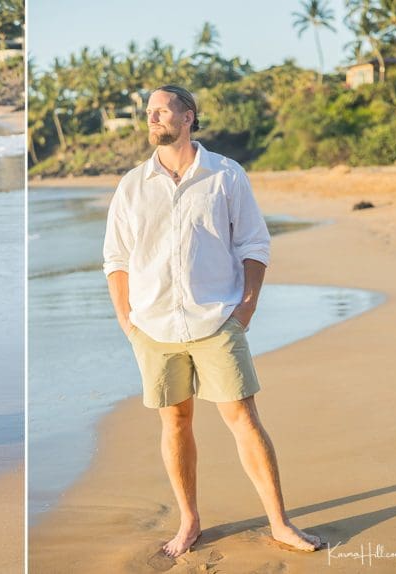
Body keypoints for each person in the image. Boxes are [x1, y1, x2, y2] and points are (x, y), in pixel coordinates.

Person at [103, 85, 322, 557]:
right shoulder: (132, 185)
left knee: (243, 417)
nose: (152, 118)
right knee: (175, 422)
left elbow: (254, 243)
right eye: (148, 112)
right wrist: (126, 320)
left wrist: (247, 306)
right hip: (153, 328)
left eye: (162, 110)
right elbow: (115, 258)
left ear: (188, 117)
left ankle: (280, 523)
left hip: (217, 320)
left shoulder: (225, 174)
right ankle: (189, 522)